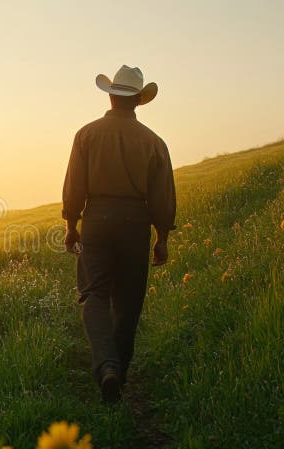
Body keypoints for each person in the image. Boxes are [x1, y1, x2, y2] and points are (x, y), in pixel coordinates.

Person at [62, 65, 176, 403]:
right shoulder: (155, 143)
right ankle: (119, 375)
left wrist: (71, 226)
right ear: (139, 101)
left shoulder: (86, 135)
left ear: (111, 96)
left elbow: (74, 187)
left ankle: (106, 366)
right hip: (135, 224)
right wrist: (163, 237)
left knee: (94, 295)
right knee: (129, 302)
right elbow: (162, 196)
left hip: (96, 220)